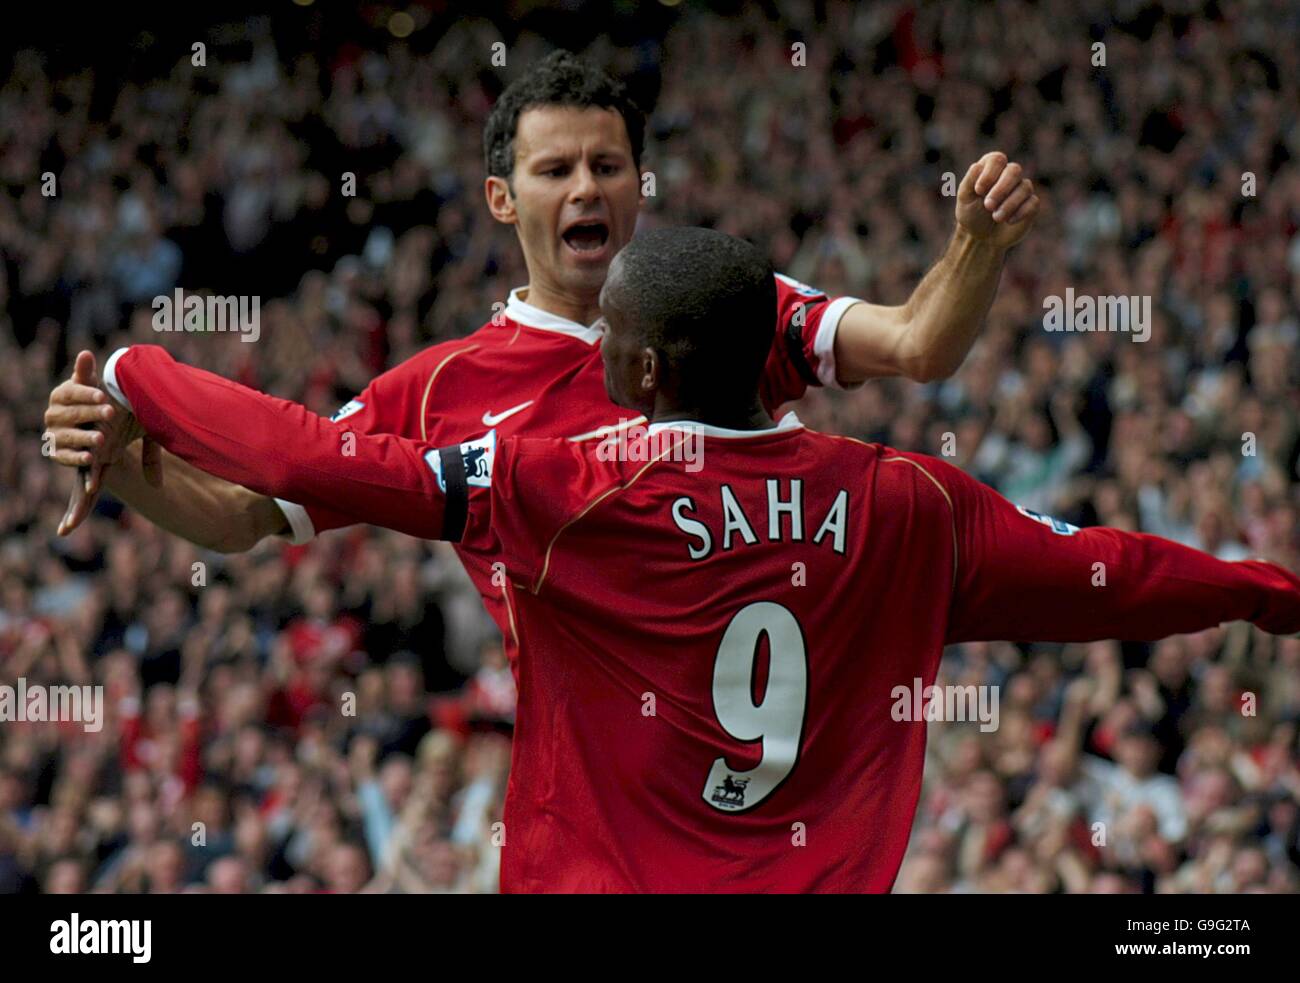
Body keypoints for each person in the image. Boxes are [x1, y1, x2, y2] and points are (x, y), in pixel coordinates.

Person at [85, 227, 1300, 892]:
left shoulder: (561, 490)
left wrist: (144, 374)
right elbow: (1118, 573)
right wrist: (1273, 594)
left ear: (648, 368)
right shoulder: (905, 500)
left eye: (610, 331)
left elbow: (307, 465)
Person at [46, 51, 1040, 675]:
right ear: (501, 198)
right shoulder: (437, 387)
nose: (585, 187)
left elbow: (918, 343)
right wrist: (130, 457)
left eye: (606, 166)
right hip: (597, 784)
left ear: (637, 184)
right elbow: (244, 516)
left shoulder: (724, 304)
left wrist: (977, 249)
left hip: (773, 773)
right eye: (554, 169)